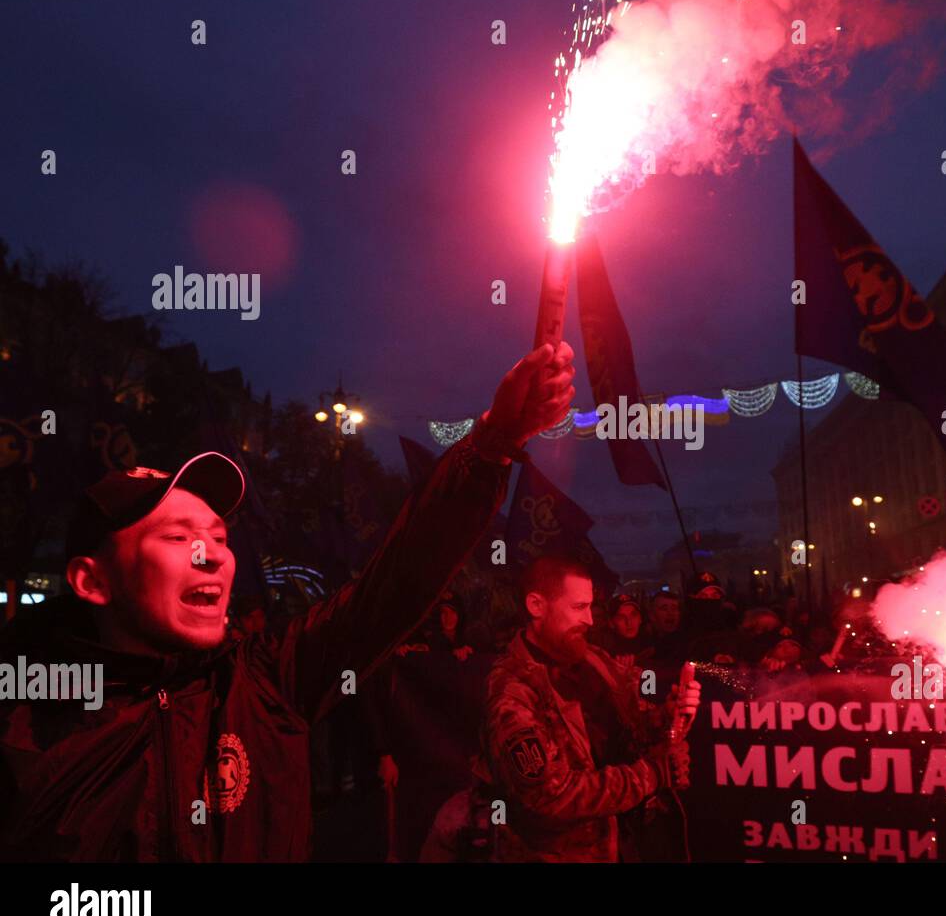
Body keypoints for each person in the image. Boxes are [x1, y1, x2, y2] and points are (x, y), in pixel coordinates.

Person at [0, 342, 576, 861]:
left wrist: (494, 442)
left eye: (220, 537)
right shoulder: (26, 735)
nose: (214, 556)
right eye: (178, 537)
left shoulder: (267, 681)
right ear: (90, 581)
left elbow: (399, 579)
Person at [476, 557, 700, 862]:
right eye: (577, 607)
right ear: (536, 606)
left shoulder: (593, 659)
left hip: (624, 842)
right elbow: (547, 797)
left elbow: (634, 721)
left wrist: (665, 715)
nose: (590, 620)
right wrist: (651, 774)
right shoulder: (511, 689)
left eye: (589, 606)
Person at [364, 591, 488, 862]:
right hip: (412, 756)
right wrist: (384, 752)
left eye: (451, 610)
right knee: (408, 819)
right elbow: (378, 705)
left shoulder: (464, 646)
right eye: (441, 611)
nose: (446, 617)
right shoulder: (392, 656)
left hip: (448, 758)